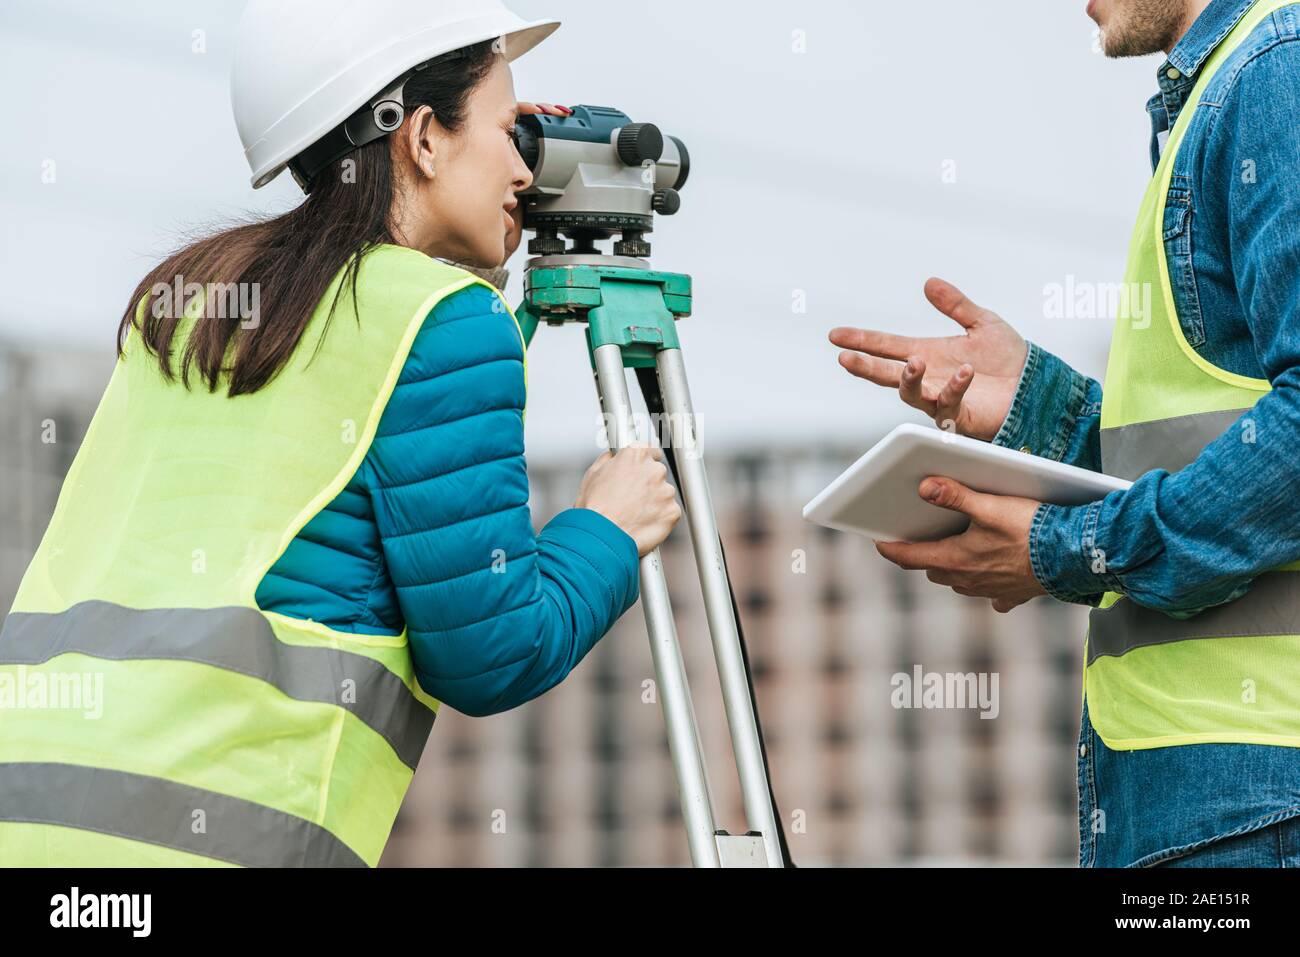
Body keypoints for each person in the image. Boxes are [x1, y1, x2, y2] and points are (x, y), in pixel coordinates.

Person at [0, 0, 680, 867]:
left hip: (31, 823)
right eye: (511, 131)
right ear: (425, 138)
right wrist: (605, 531)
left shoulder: (194, 297)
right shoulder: (444, 320)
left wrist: (496, 142)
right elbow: (491, 652)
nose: (524, 168)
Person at [830, 0, 1300, 867]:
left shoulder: (1277, 72)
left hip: (1258, 793)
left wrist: (1072, 547)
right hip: (1206, 796)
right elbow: (1200, 447)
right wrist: (1037, 406)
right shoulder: (1228, 92)